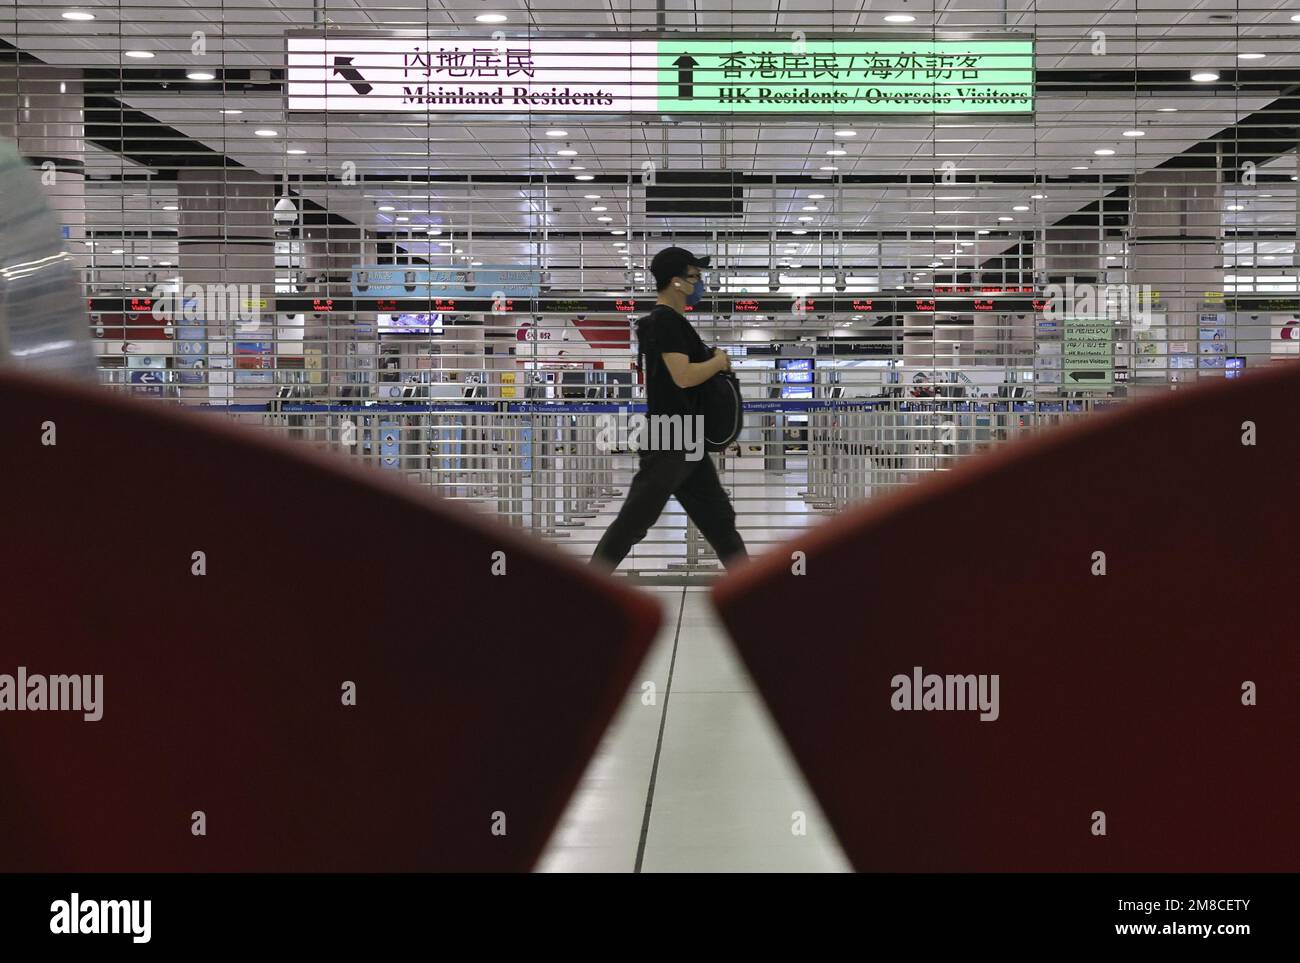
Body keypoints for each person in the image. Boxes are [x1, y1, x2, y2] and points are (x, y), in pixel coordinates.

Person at [590, 246, 748, 572]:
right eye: (696, 277)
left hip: (686, 439)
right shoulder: (666, 322)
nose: (700, 283)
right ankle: (588, 585)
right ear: (677, 282)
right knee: (634, 520)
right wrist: (718, 361)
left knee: (719, 520)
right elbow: (684, 376)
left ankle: (752, 589)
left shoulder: (673, 322)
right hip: (670, 439)